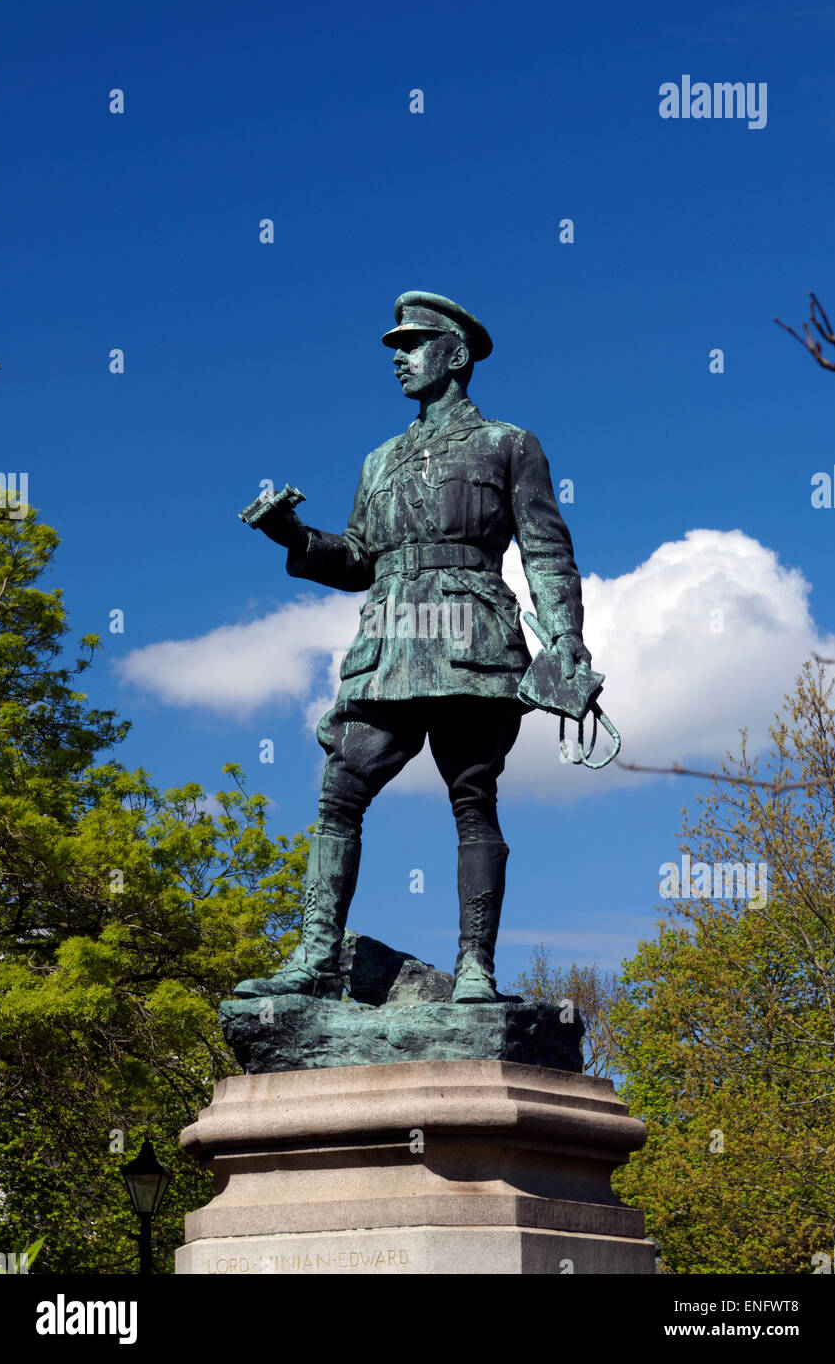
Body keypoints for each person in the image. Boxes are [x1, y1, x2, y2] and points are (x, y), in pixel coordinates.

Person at [239, 292, 591, 1002]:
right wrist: (295, 538)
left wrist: (565, 645)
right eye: (395, 347)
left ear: (454, 353)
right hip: (389, 641)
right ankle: (313, 954)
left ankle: (474, 969)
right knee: (340, 792)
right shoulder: (379, 460)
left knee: (471, 797)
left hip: (473, 638)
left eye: (412, 343)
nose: (398, 359)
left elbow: (546, 553)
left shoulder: (508, 444)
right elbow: (360, 559)